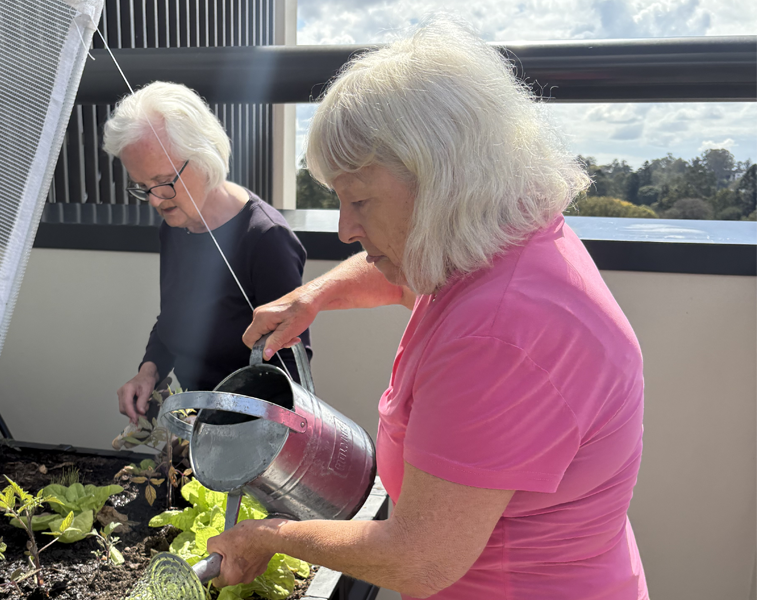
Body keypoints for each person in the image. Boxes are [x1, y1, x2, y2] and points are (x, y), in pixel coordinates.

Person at [206, 18, 648, 600]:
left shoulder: (501, 337)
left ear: (442, 183)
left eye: (359, 199)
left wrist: (270, 536)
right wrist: (313, 296)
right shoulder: (497, 244)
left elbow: (418, 560)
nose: (344, 228)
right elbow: (402, 276)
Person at [102, 81, 311, 424]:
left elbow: (289, 375)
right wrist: (148, 373)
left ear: (204, 155)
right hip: (196, 421)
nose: (155, 199)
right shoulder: (174, 225)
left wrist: (217, 432)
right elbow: (173, 319)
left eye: (164, 180)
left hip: (252, 432)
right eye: (142, 187)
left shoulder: (266, 239)